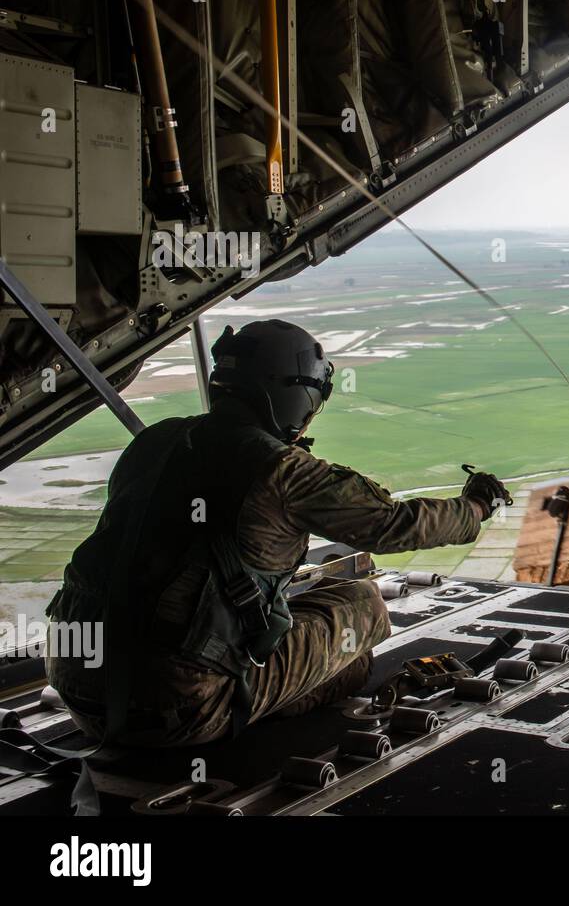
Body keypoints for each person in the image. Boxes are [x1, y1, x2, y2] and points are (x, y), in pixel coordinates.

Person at [45, 319, 510, 746]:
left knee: (296, 603)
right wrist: (476, 506)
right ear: (293, 394)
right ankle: (236, 709)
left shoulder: (156, 441)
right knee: (360, 611)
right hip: (176, 706)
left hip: (79, 689)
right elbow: (391, 525)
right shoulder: (280, 470)